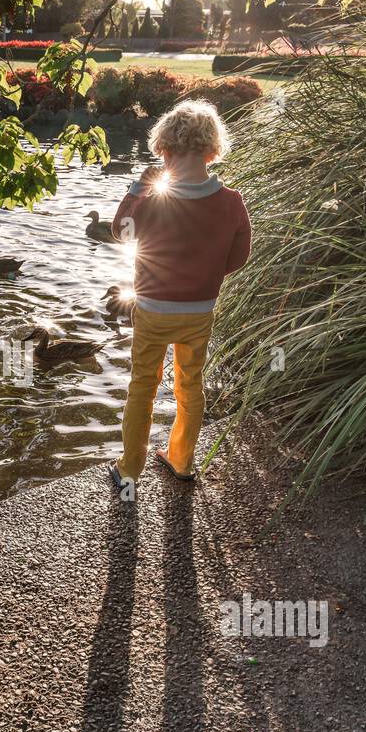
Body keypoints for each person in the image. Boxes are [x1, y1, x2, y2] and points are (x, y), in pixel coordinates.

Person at [108, 99, 252, 491]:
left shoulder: (153, 198)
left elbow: (120, 233)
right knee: (191, 385)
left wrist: (138, 186)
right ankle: (182, 460)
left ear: (163, 149)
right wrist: (203, 276)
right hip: (199, 311)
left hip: (153, 309)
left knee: (143, 385)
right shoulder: (232, 202)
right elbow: (238, 257)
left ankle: (130, 469)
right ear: (212, 151)